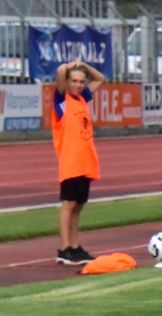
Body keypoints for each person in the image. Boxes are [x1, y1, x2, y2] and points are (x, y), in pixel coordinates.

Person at [52, 59, 105, 266]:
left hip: (86, 162)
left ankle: (75, 247)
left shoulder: (82, 99)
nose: (78, 85)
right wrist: (68, 66)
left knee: (79, 206)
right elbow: (59, 71)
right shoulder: (62, 101)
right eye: (74, 81)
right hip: (71, 162)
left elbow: (100, 78)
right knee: (69, 204)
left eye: (81, 81)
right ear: (67, 82)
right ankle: (64, 249)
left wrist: (83, 64)